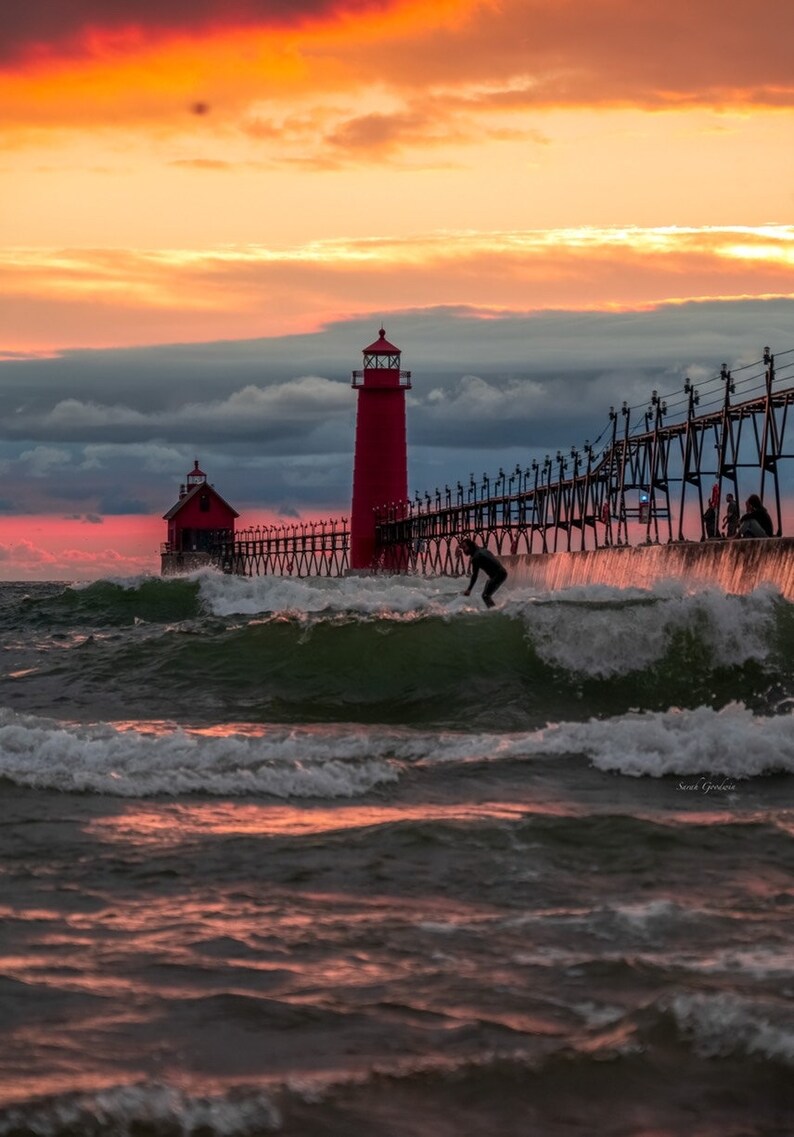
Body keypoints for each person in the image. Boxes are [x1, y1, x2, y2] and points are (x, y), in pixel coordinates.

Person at [461, 537, 508, 608]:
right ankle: (496, 608)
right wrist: (459, 547)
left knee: (485, 596)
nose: (463, 551)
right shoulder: (482, 550)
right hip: (502, 573)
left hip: (499, 575)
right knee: (488, 585)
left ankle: (493, 611)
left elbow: (474, 575)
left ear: (470, 547)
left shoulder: (476, 558)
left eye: (464, 548)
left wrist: (469, 590)